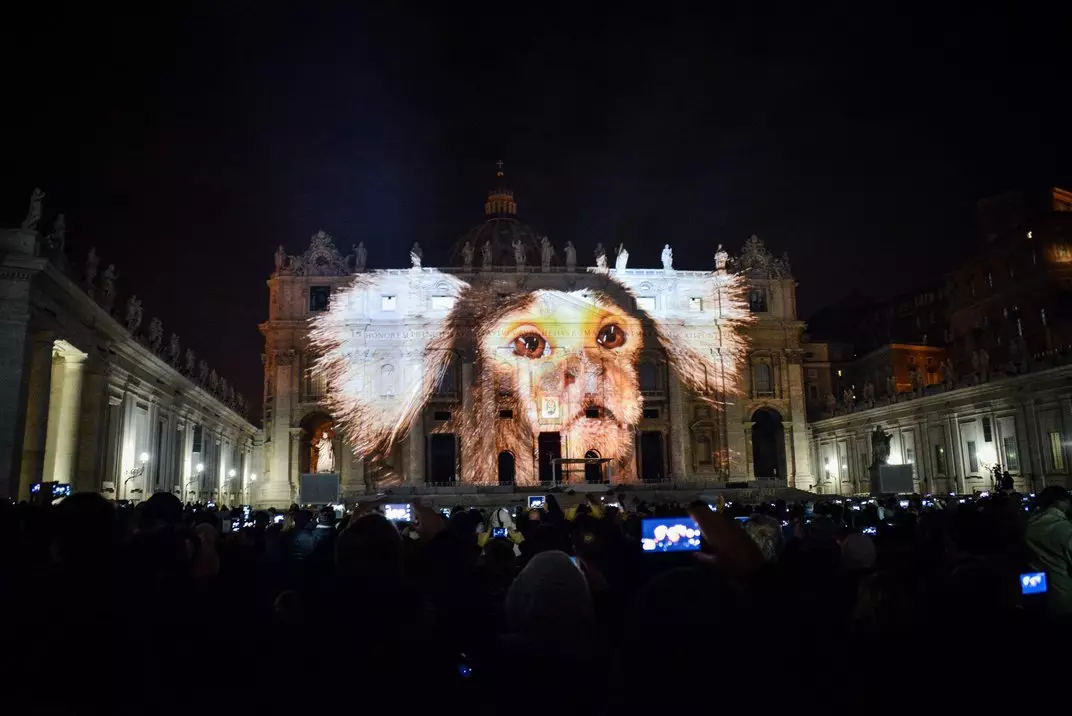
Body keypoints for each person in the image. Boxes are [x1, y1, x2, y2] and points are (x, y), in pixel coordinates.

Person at [1025, 485, 1072, 619]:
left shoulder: (1029, 525)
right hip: (1064, 595)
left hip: (1038, 591)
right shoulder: (1063, 528)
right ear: (1060, 502)